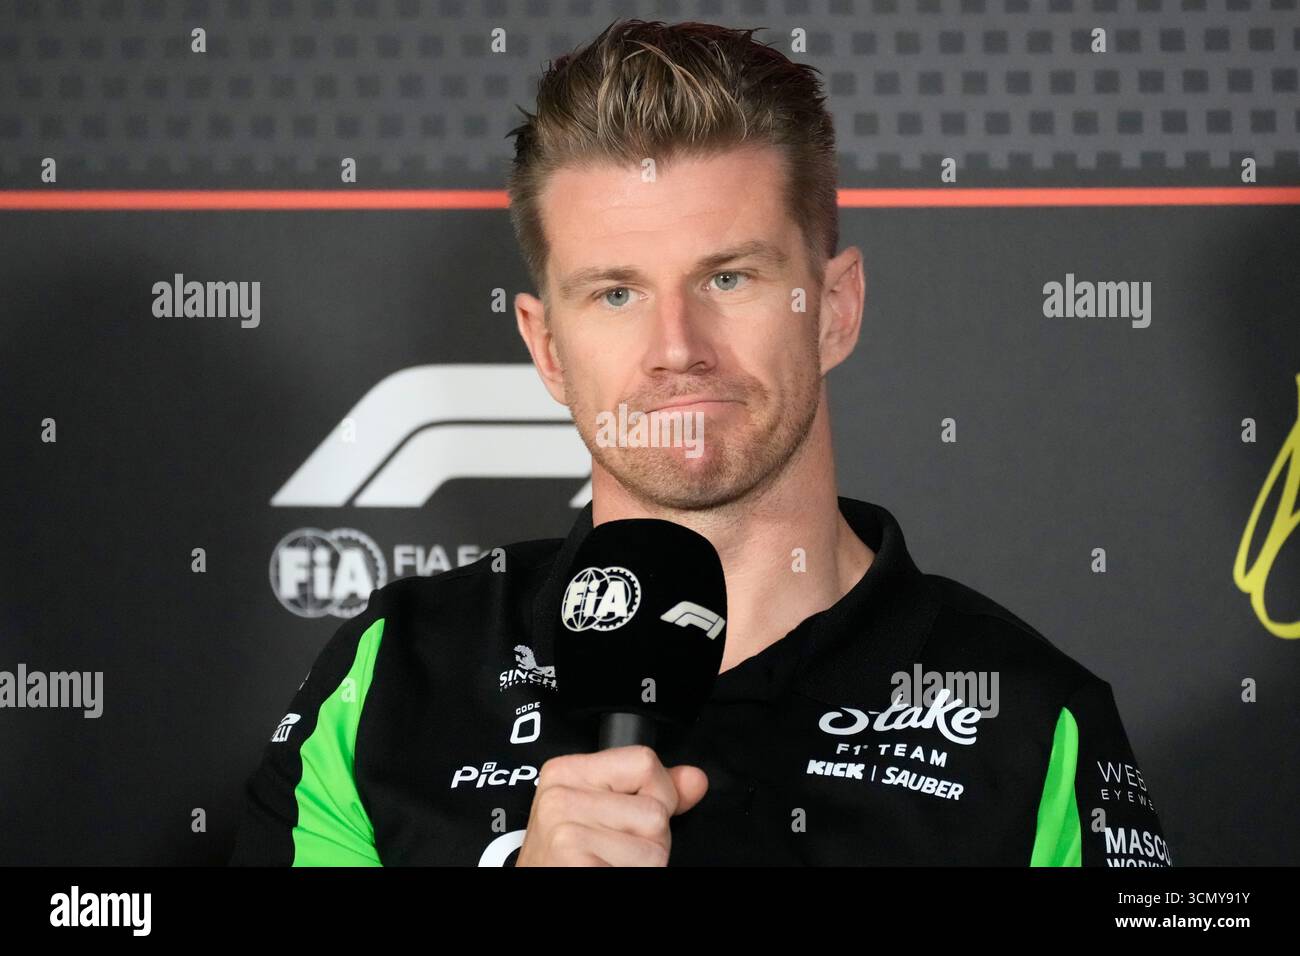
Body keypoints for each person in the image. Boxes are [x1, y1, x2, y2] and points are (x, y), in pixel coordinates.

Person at [230, 18, 1171, 867]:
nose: (676, 350)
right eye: (617, 293)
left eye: (728, 279)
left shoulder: (1028, 719)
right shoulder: (395, 678)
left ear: (834, 309)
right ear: (547, 348)